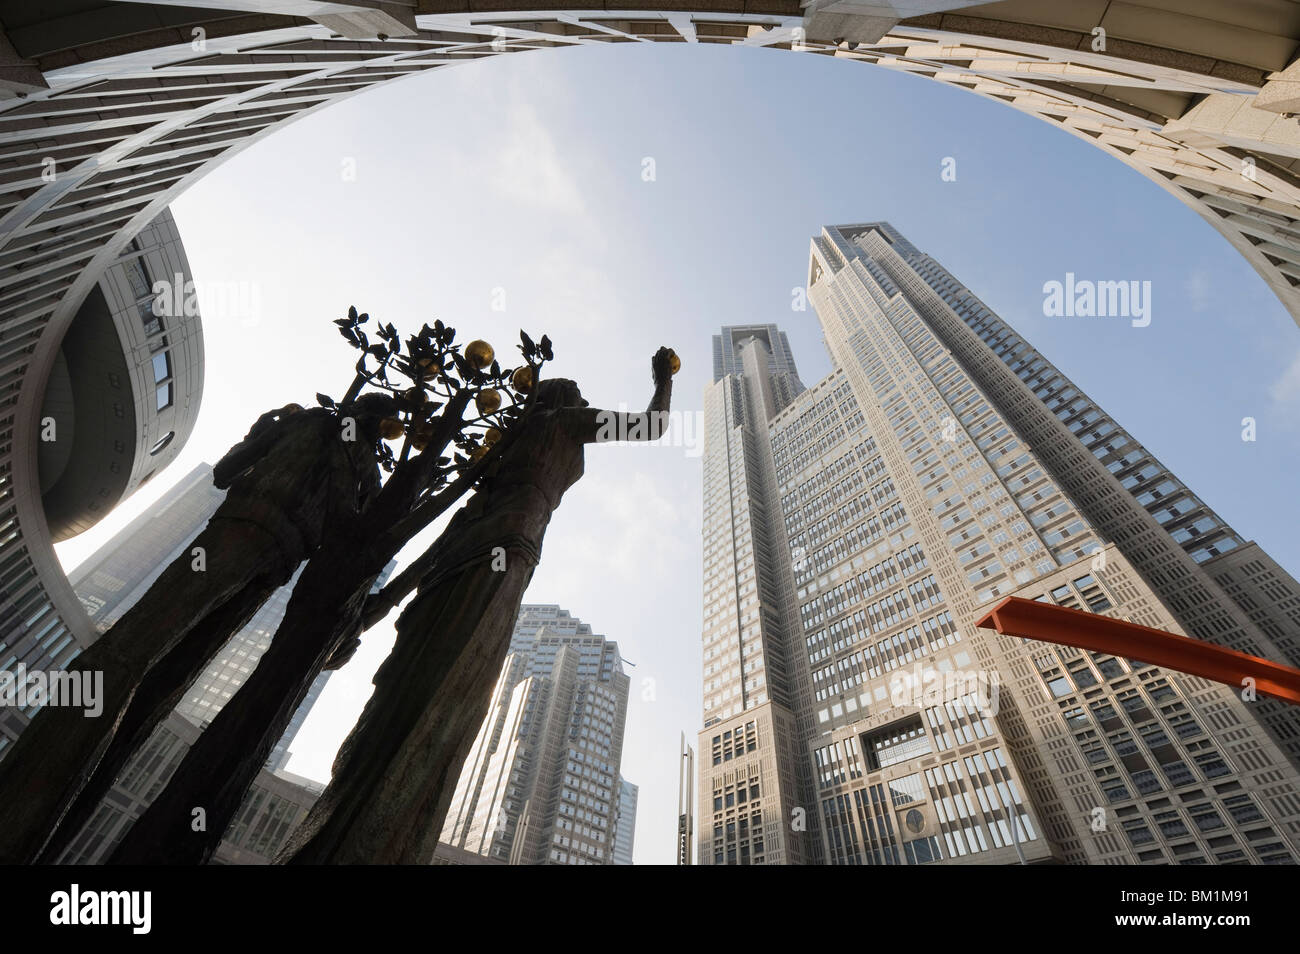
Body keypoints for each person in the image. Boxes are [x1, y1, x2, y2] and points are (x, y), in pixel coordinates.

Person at [279, 347, 675, 864]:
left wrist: (383, 603)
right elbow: (652, 426)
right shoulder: (564, 421)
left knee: (409, 685)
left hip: (460, 558)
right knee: (448, 690)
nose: (580, 398)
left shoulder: (505, 446)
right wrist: (663, 378)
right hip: (504, 550)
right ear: (562, 398)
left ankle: (346, 828)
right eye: (575, 392)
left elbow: (450, 525)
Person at [0, 394, 396, 864]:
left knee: (165, 676)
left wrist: (344, 620)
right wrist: (267, 429)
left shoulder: (359, 467)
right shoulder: (318, 432)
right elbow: (228, 472)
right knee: (134, 649)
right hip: (246, 532)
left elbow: (343, 542)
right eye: (379, 424)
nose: (373, 432)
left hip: (274, 563)